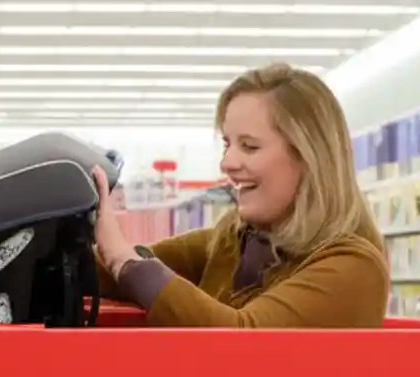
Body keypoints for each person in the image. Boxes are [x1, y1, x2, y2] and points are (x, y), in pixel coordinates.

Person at [91, 63, 391, 328]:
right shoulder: (233, 241)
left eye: (249, 146)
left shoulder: (353, 268)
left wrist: (124, 260)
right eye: (227, 144)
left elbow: (242, 341)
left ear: (308, 159)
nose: (227, 163)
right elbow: (112, 273)